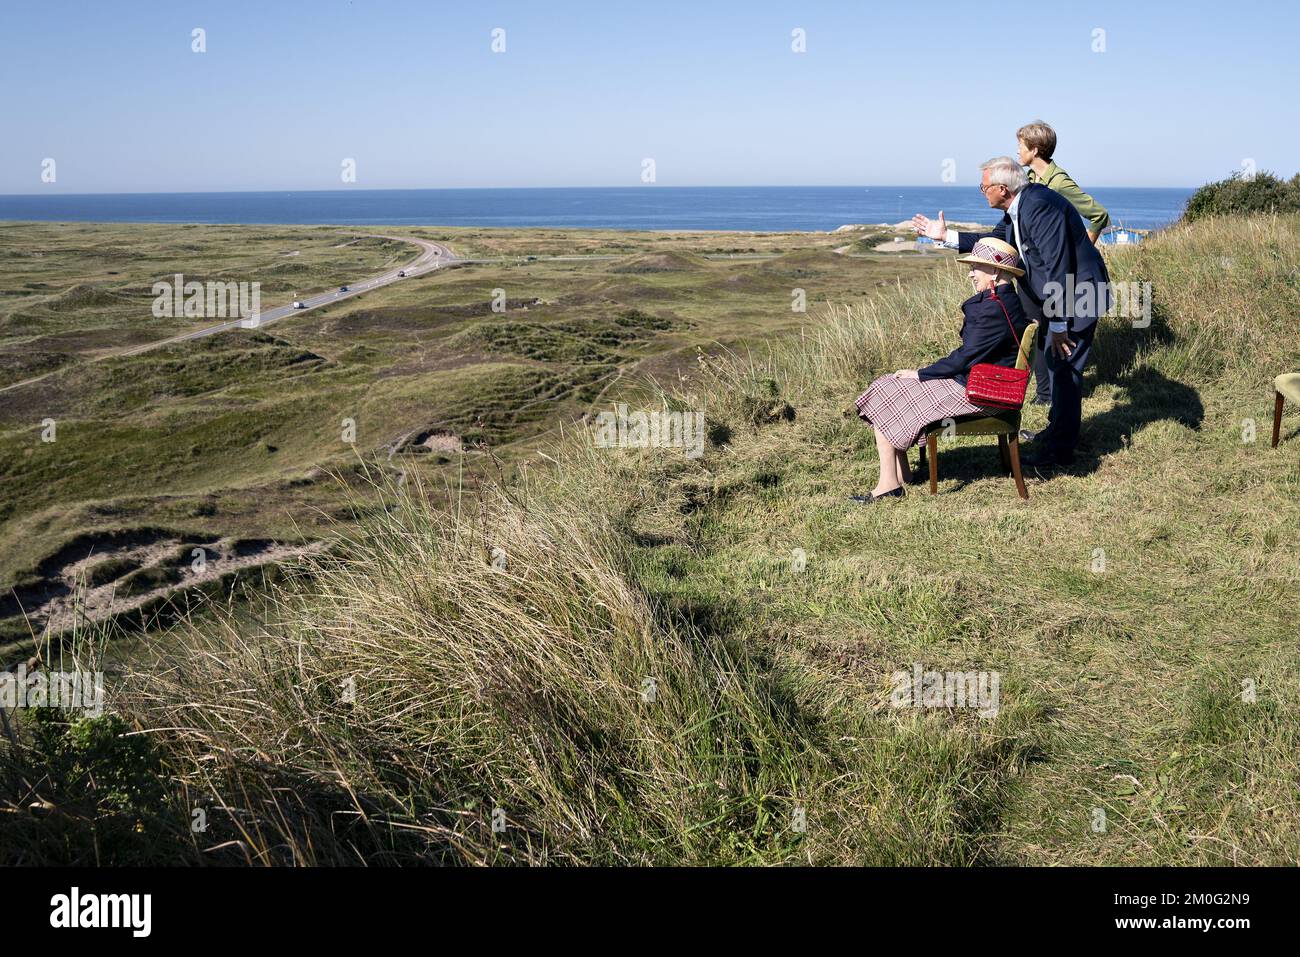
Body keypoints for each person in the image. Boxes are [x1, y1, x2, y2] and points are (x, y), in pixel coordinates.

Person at [911, 157, 1111, 470]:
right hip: (1064, 297)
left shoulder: (1037, 206)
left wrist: (1058, 322)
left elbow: (1058, 264)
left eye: (984, 186)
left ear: (1002, 189)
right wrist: (945, 237)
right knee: (1059, 366)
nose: (982, 192)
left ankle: (1059, 454)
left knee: (1067, 369)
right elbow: (990, 242)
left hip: (1080, 295)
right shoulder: (1017, 209)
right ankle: (1058, 435)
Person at [850, 238, 1029, 503]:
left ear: (995, 271)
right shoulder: (1004, 301)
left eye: (976, 267)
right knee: (889, 386)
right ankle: (900, 474)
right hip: (981, 381)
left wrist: (921, 374)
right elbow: (970, 354)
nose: (970, 272)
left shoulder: (995, 309)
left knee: (887, 391)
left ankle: (889, 484)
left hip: (979, 392)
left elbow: (964, 358)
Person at [1017, 120, 1110, 405]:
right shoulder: (1031, 180)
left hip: (1066, 274)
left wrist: (1080, 246)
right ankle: (1045, 396)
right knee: (1042, 333)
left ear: (1034, 149)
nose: (1017, 151)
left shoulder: (1059, 182)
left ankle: (1059, 405)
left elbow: (1100, 215)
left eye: (1020, 146)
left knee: (1060, 336)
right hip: (1043, 275)